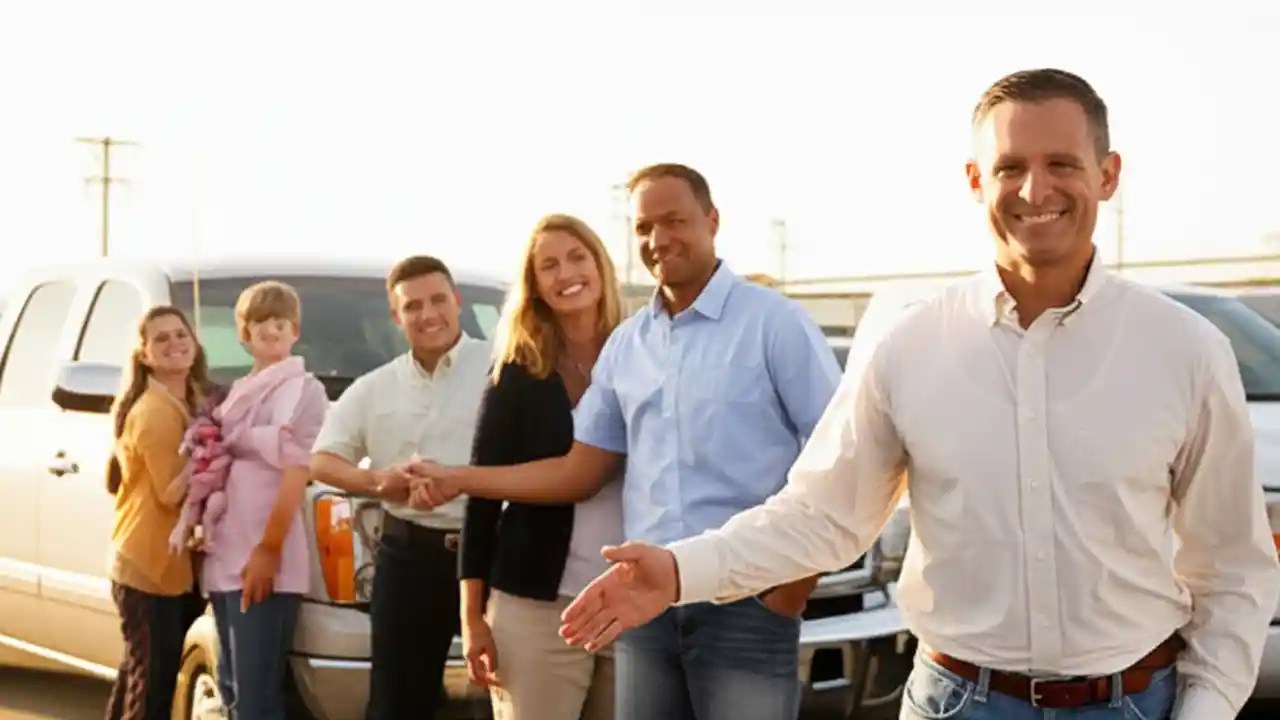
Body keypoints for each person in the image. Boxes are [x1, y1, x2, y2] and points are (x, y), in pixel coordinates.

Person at [554, 69, 1280, 720]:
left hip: (1134, 704)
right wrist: (682, 570)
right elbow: (822, 514)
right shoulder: (909, 345)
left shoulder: (1184, 351)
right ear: (974, 180)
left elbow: (1232, 566)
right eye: (1009, 167)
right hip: (956, 702)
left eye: (1062, 163)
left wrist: (1206, 707)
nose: (1035, 190)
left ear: (1108, 173)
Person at [407, 163, 842, 720]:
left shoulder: (776, 325)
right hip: (644, 611)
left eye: (674, 221)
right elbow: (580, 472)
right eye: (643, 228)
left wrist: (788, 592)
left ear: (712, 221)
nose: (659, 240)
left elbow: (837, 464)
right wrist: (457, 478)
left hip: (746, 604)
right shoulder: (628, 346)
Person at [454, 214, 624, 720]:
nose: (565, 272)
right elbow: (481, 497)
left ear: (600, 266)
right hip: (534, 608)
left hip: (630, 604)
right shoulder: (517, 371)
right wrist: (472, 619)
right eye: (547, 265)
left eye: (576, 257)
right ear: (535, 285)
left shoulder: (641, 353)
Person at [309, 255, 492, 719]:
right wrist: (378, 482)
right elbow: (322, 459)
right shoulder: (374, 387)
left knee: (505, 696)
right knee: (395, 705)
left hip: (494, 555)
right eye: (413, 306)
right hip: (406, 560)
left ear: (457, 302)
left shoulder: (502, 369)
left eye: (438, 301)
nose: (428, 314)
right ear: (396, 315)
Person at [201, 280, 328, 720]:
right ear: (243, 333)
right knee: (233, 690)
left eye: (281, 322)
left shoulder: (304, 390)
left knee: (258, 700)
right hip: (225, 557)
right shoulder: (236, 392)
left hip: (265, 556)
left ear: (296, 331)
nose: (271, 331)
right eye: (260, 323)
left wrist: (269, 549)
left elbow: (297, 471)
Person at [105, 305, 213, 720]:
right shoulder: (153, 411)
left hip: (170, 567)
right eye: (161, 338)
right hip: (146, 567)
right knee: (154, 682)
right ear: (145, 354)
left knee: (139, 671)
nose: (174, 344)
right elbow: (171, 492)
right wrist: (212, 451)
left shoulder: (188, 398)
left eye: (180, 335)